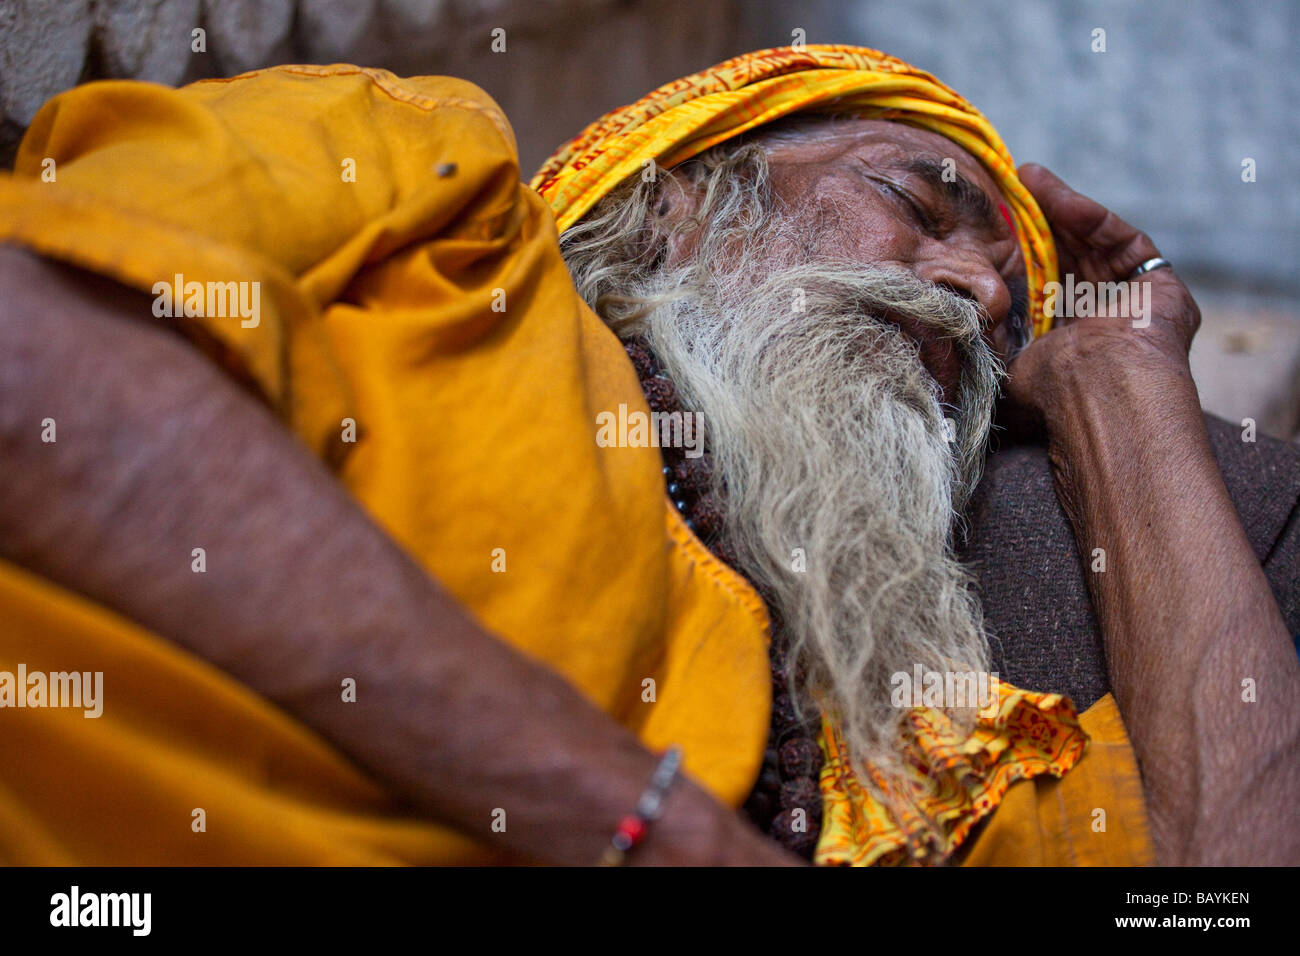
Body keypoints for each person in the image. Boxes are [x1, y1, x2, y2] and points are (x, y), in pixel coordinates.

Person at [0, 47, 1295, 866]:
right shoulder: (433, 194)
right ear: (673, 191)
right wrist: (649, 825)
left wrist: (1123, 379)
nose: (970, 288)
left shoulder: (906, 754)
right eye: (918, 205)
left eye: (1008, 308)